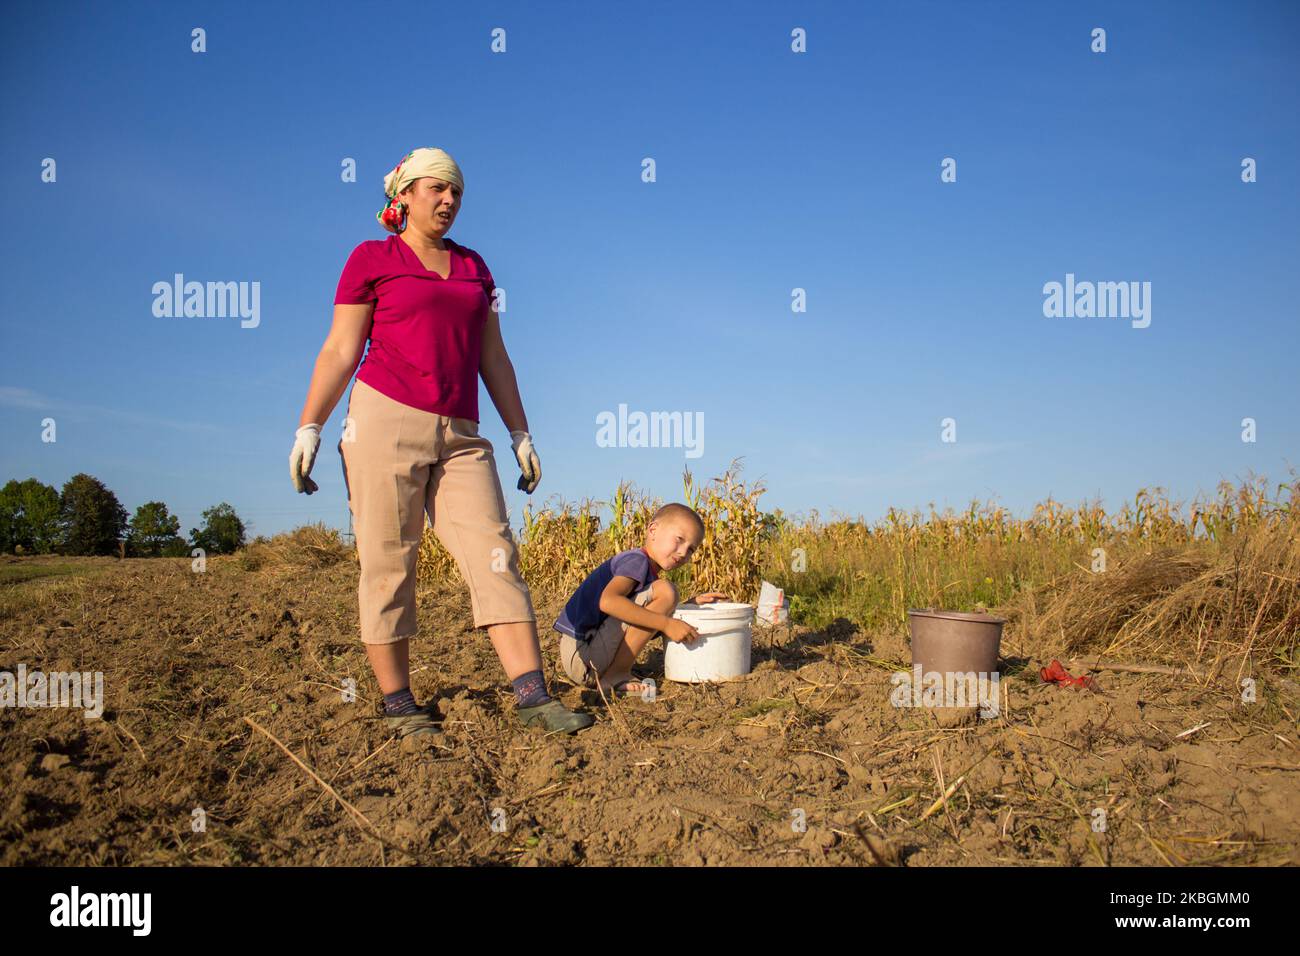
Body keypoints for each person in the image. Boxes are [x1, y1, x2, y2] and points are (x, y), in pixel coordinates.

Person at [289, 146, 593, 738]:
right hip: (384, 419)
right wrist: (311, 425)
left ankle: (533, 697)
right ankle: (399, 703)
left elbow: (494, 357)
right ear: (402, 196)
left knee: (495, 552)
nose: (449, 200)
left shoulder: (477, 267)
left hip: (461, 431)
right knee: (387, 559)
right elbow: (340, 350)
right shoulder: (371, 259)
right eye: (436, 189)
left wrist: (520, 433)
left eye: (456, 192)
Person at [555, 503, 729, 695]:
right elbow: (609, 601)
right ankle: (615, 674)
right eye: (679, 540)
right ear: (653, 530)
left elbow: (641, 620)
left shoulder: (644, 568)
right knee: (667, 591)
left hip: (584, 657)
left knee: (666, 594)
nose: (683, 552)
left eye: (690, 549)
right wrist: (666, 623)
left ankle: (614, 673)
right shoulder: (637, 561)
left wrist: (688, 606)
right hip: (584, 657)